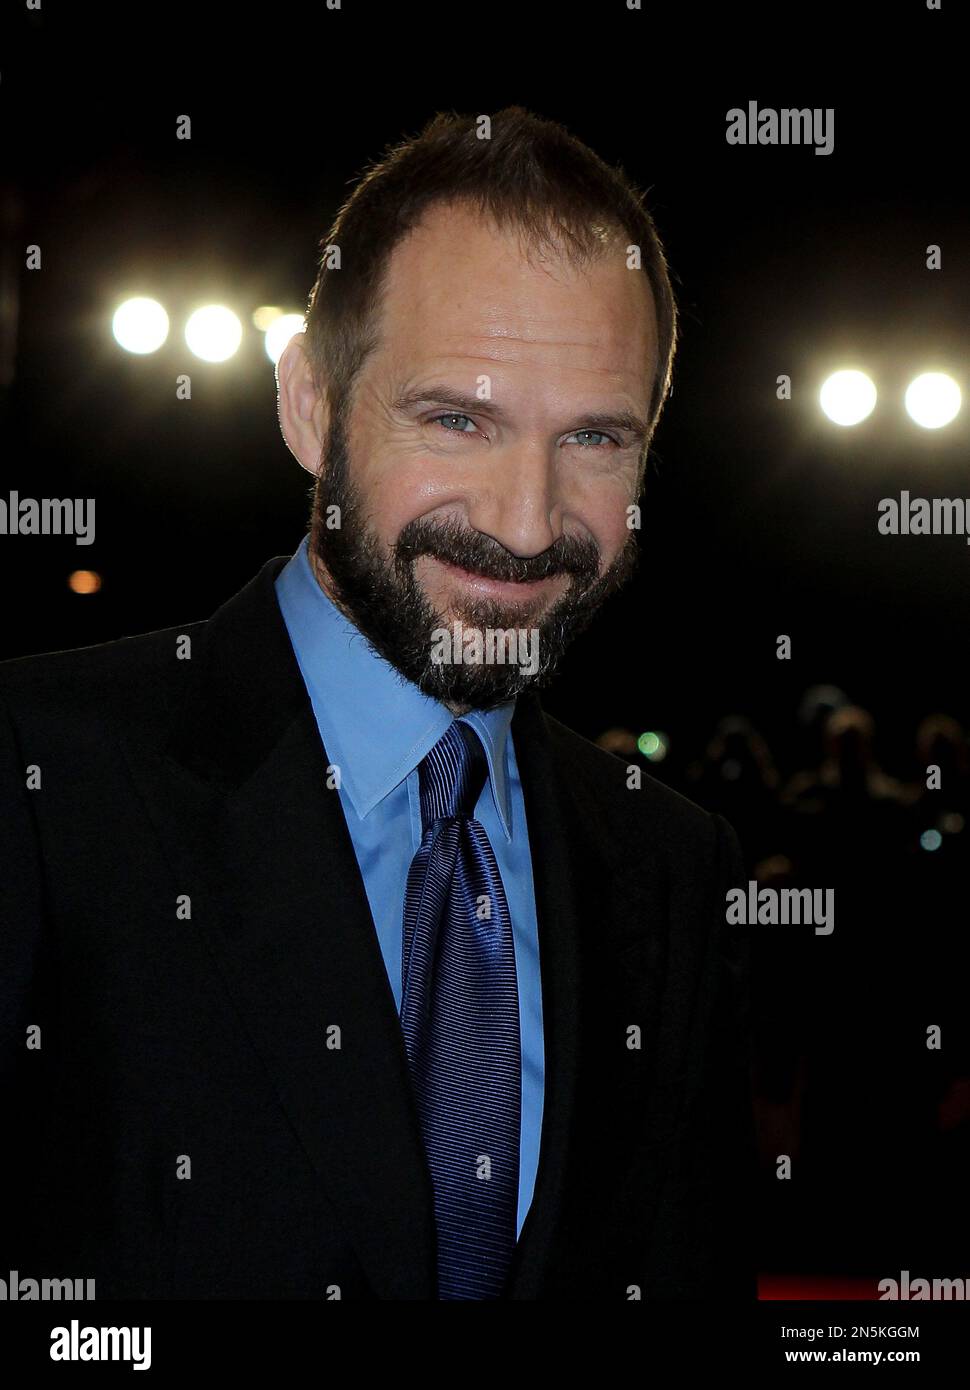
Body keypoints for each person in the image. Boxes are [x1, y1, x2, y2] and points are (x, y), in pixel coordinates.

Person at [0, 106, 757, 1300]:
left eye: (596, 439)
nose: (523, 521)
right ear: (311, 405)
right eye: (458, 418)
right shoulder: (38, 780)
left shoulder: (670, 866)